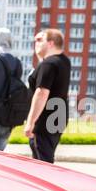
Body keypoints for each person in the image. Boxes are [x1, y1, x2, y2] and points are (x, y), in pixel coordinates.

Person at [23, 29, 73, 163]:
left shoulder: (48, 64)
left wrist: (31, 122)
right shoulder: (64, 61)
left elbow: (41, 93)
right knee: (44, 157)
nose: (36, 43)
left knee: (42, 161)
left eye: (40, 40)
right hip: (58, 117)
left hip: (44, 119)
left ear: (50, 43)